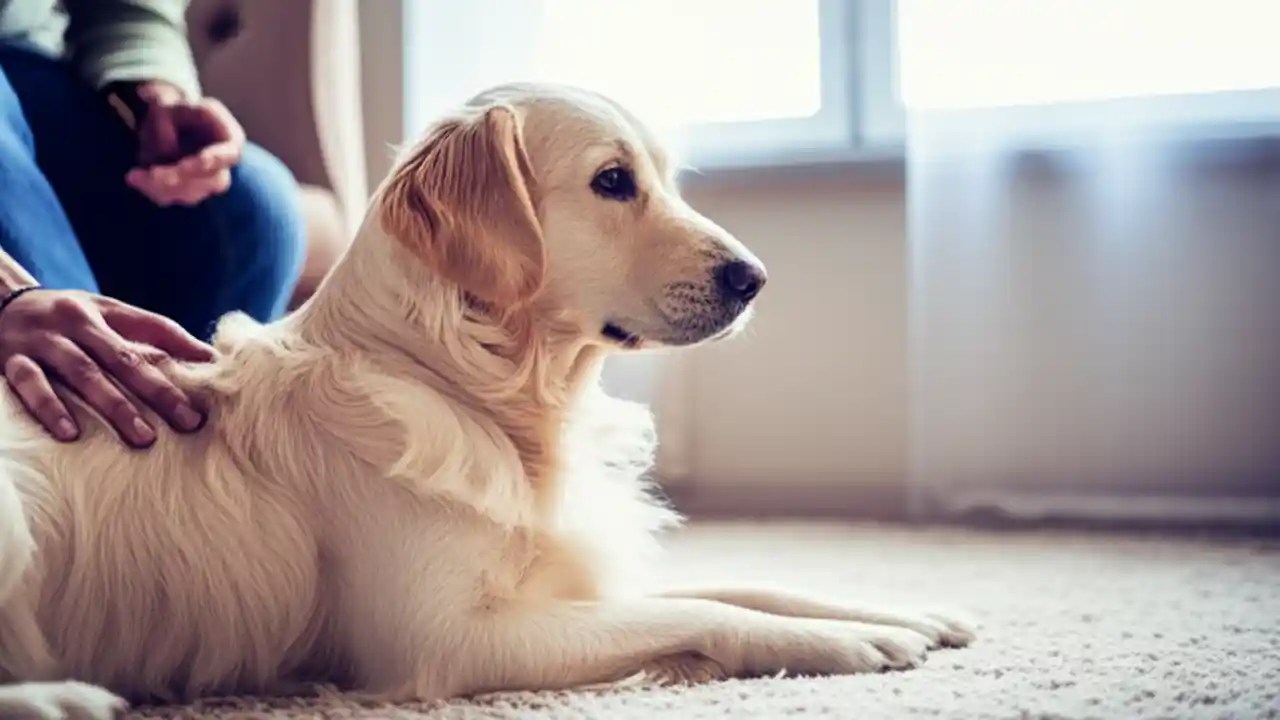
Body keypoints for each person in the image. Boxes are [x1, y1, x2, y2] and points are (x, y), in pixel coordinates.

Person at [0, 0, 305, 449]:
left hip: (29, 64)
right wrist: (9, 293)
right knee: (58, 342)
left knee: (254, 212)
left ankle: (192, 465)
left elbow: (125, 9)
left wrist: (154, 96)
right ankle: (85, 465)